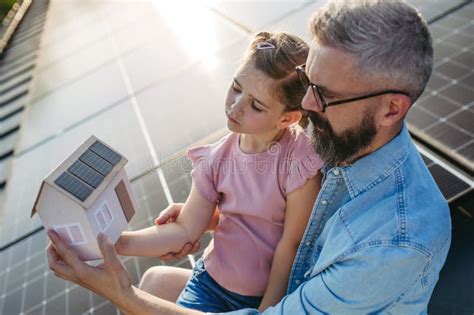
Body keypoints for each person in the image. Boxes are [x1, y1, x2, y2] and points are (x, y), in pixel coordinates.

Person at [47, 0, 452, 314]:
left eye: (325, 95)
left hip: (270, 301)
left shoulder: (396, 242)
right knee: (153, 280)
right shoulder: (339, 135)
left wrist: (123, 294)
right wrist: (226, 218)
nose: (307, 107)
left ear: (391, 110)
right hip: (231, 281)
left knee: (143, 297)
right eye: (310, 82)